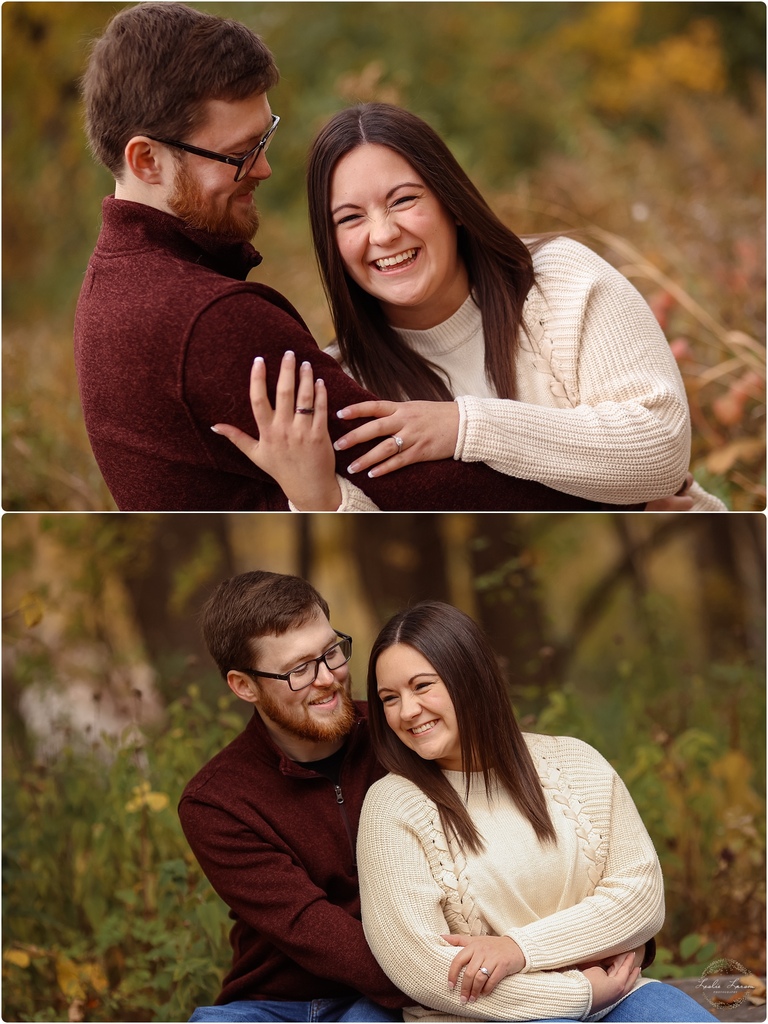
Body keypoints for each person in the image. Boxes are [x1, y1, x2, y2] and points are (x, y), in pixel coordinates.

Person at [74, 3, 611, 514]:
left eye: (264, 139)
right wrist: (616, 499)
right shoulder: (211, 321)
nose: (263, 169)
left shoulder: (111, 287)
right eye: (239, 154)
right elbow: (411, 485)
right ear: (147, 160)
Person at [217, 103, 725, 512]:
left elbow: (660, 450)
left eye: (403, 200)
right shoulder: (346, 384)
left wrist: (463, 427)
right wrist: (318, 500)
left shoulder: (558, 280)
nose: (384, 233)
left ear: (451, 204)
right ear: (331, 243)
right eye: (350, 218)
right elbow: (407, 547)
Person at [356, 601, 720, 1022]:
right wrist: (579, 992)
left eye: (421, 686)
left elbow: (640, 897)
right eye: (389, 698)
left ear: (469, 678)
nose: (406, 711)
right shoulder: (392, 807)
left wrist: (519, 949)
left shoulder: (576, 763)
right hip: (489, 1016)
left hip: (619, 997)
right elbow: (422, 969)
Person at [178, 570, 409, 1022]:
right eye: (298, 669)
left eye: (331, 652)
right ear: (244, 686)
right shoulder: (216, 801)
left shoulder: (398, 735)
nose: (327, 679)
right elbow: (308, 926)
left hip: (395, 989)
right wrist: (434, 980)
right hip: (275, 1003)